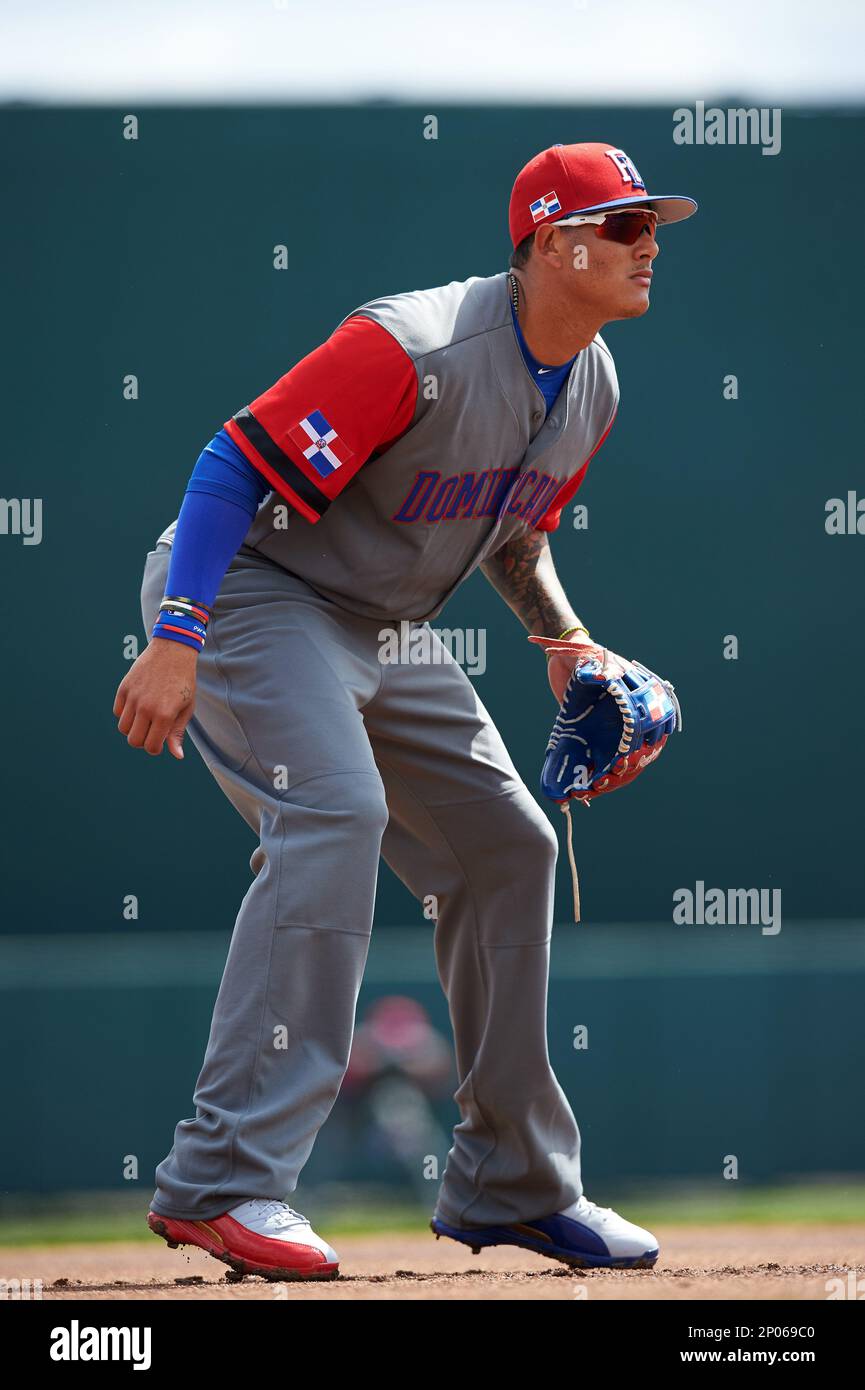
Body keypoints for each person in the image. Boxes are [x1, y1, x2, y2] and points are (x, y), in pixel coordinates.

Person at [113, 141, 697, 1281]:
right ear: (548, 241)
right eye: (624, 225)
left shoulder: (592, 385)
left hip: (377, 623)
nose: (648, 246)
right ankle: (226, 1178)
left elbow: (510, 525)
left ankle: (513, 1182)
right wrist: (177, 635)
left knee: (508, 845)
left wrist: (562, 637)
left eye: (652, 226)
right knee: (332, 810)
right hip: (247, 589)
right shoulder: (413, 345)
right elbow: (231, 463)